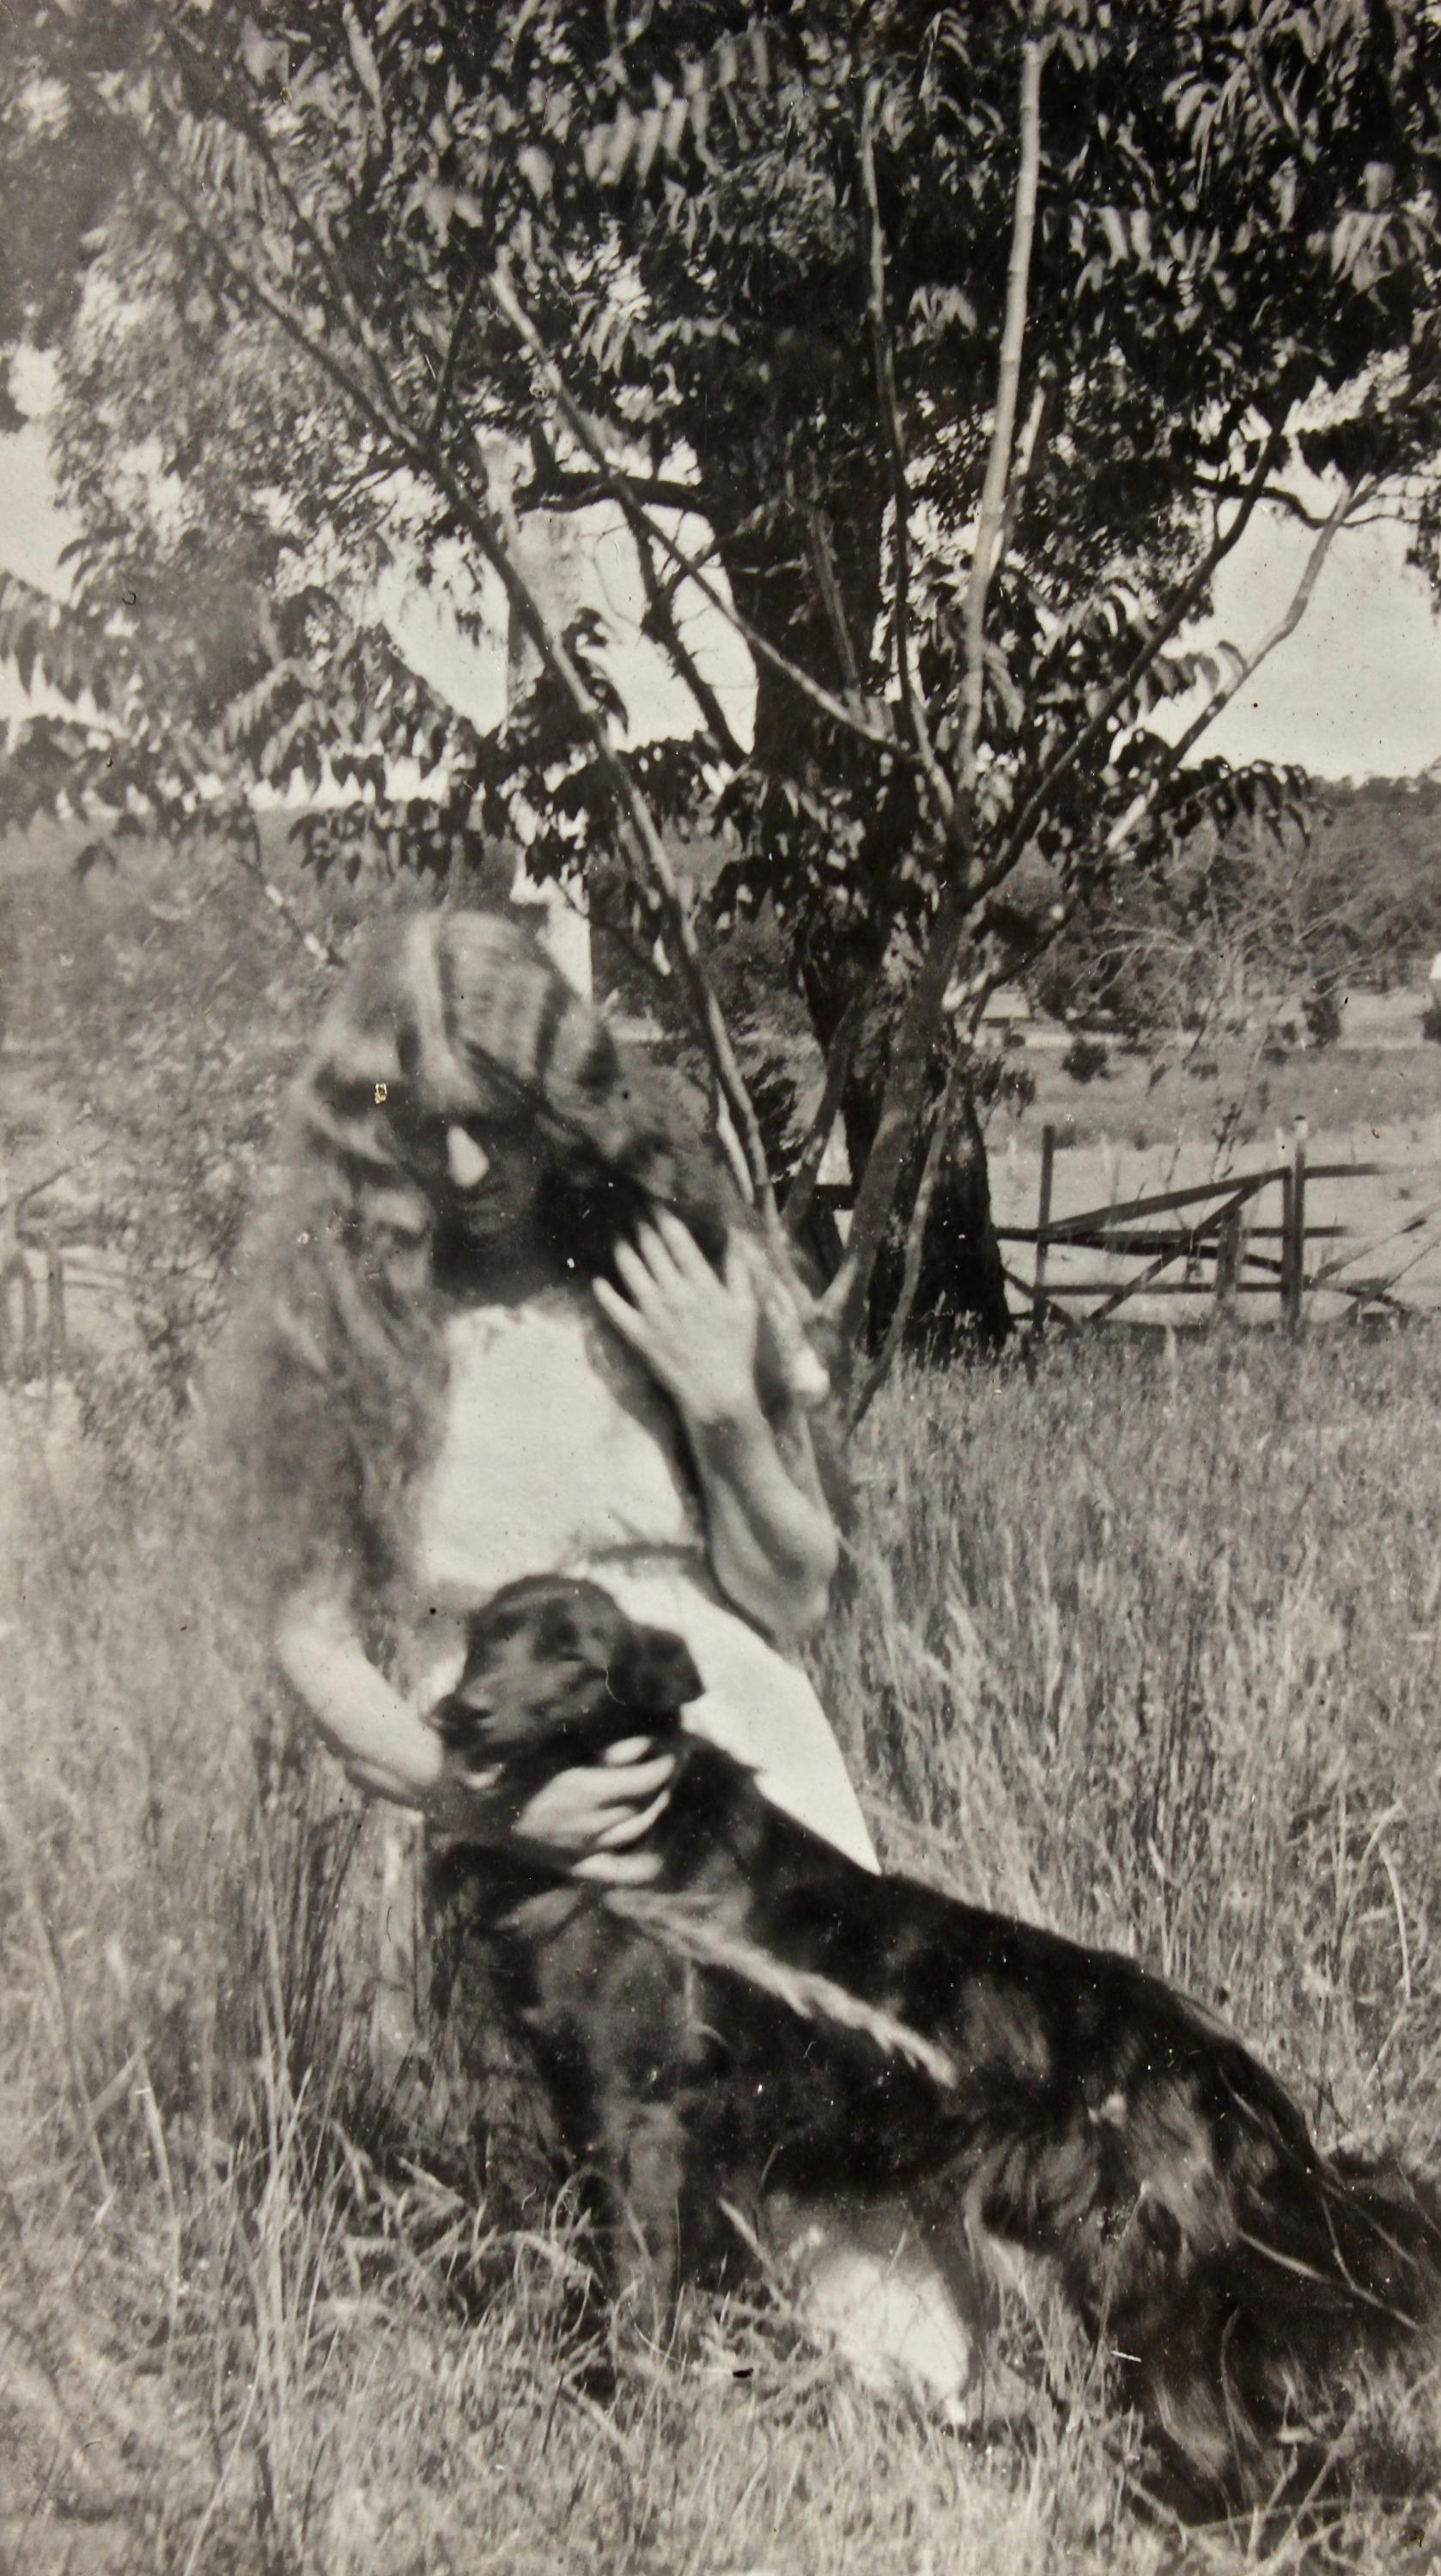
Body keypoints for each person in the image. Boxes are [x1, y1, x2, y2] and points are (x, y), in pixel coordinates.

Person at [218, 908, 991, 2419]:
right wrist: (484, 1803)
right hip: (472, 1787)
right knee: (540, 2214)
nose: (463, 1169)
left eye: (497, 1121)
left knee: (885, 2335)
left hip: (735, 1785)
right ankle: (613, 2380)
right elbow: (309, 1641)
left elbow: (795, 1594)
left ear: (563, 1097)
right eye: (421, 1128)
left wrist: (725, 1406)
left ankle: (831, 2364)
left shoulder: (673, 1259)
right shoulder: (350, 1319)